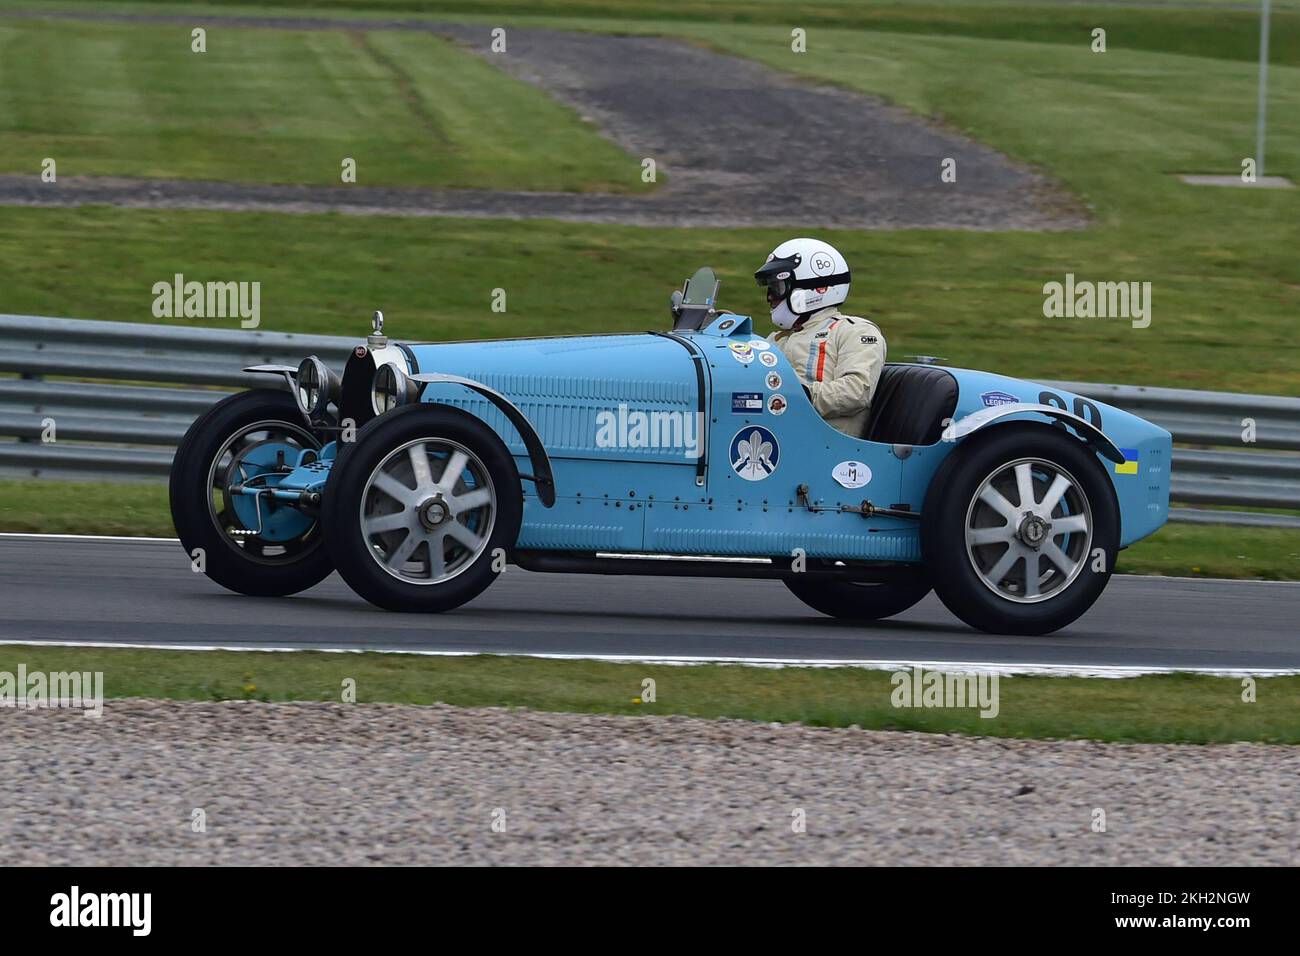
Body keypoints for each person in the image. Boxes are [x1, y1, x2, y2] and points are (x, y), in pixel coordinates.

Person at [754, 238, 886, 437]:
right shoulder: (775, 340)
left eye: (778, 287)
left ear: (815, 289)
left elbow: (856, 392)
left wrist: (796, 395)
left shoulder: (855, 331)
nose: (770, 297)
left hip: (825, 446)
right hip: (776, 436)